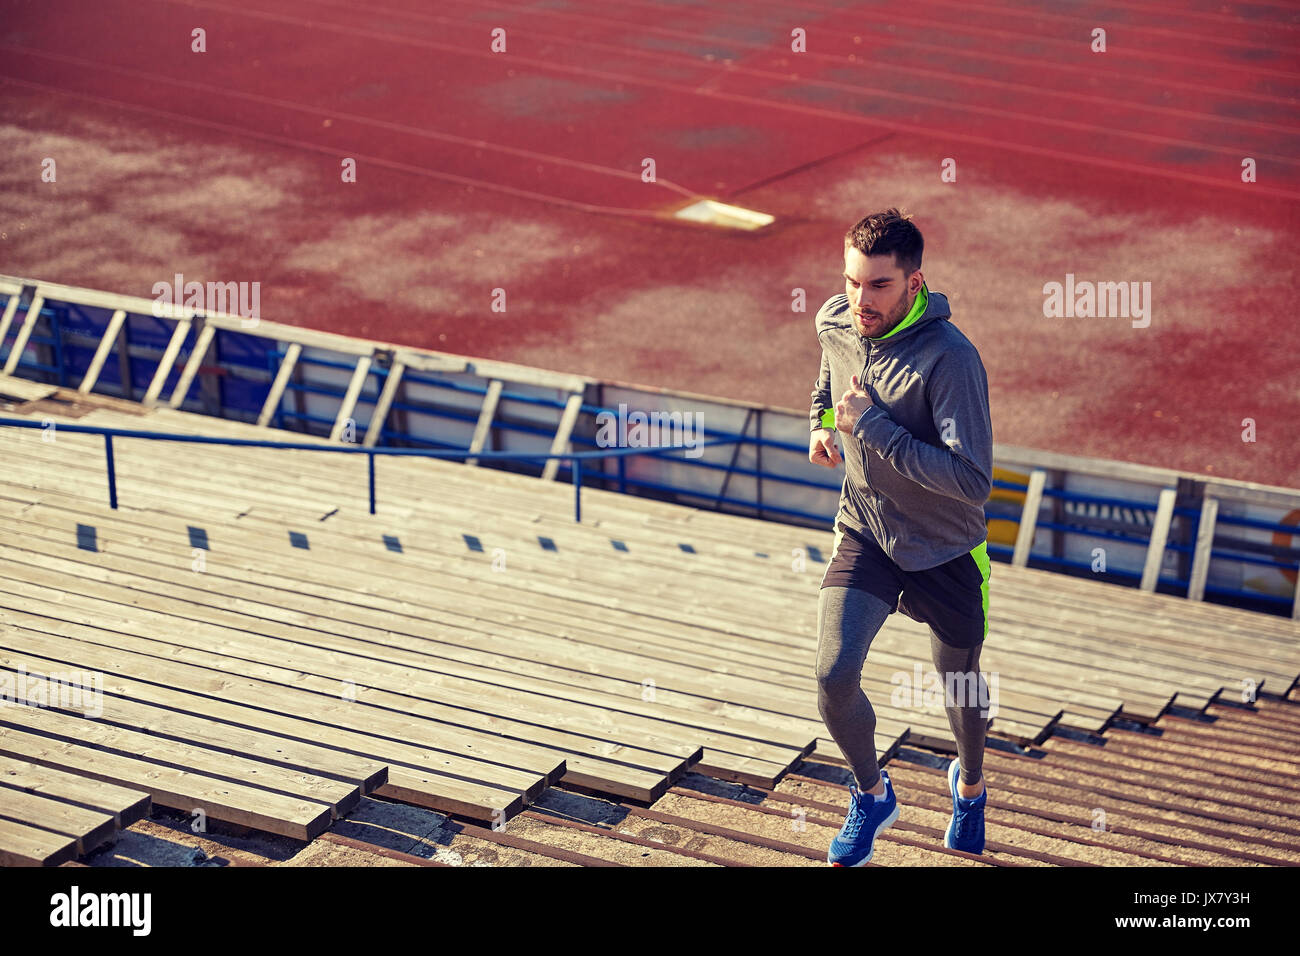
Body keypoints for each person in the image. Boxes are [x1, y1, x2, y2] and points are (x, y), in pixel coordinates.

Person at [808, 208, 994, 866]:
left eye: (879, 286)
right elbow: (831, 373)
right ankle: (872, 792)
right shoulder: (837, 317)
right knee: (832, 674)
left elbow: (972, 480)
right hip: (866, 531)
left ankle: (969, 786)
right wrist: (823, 423)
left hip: (945, 551)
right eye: (853, 282)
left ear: (915, 284)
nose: (861, 300)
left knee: (961, 689)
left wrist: (870, 427)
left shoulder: (951, 361)